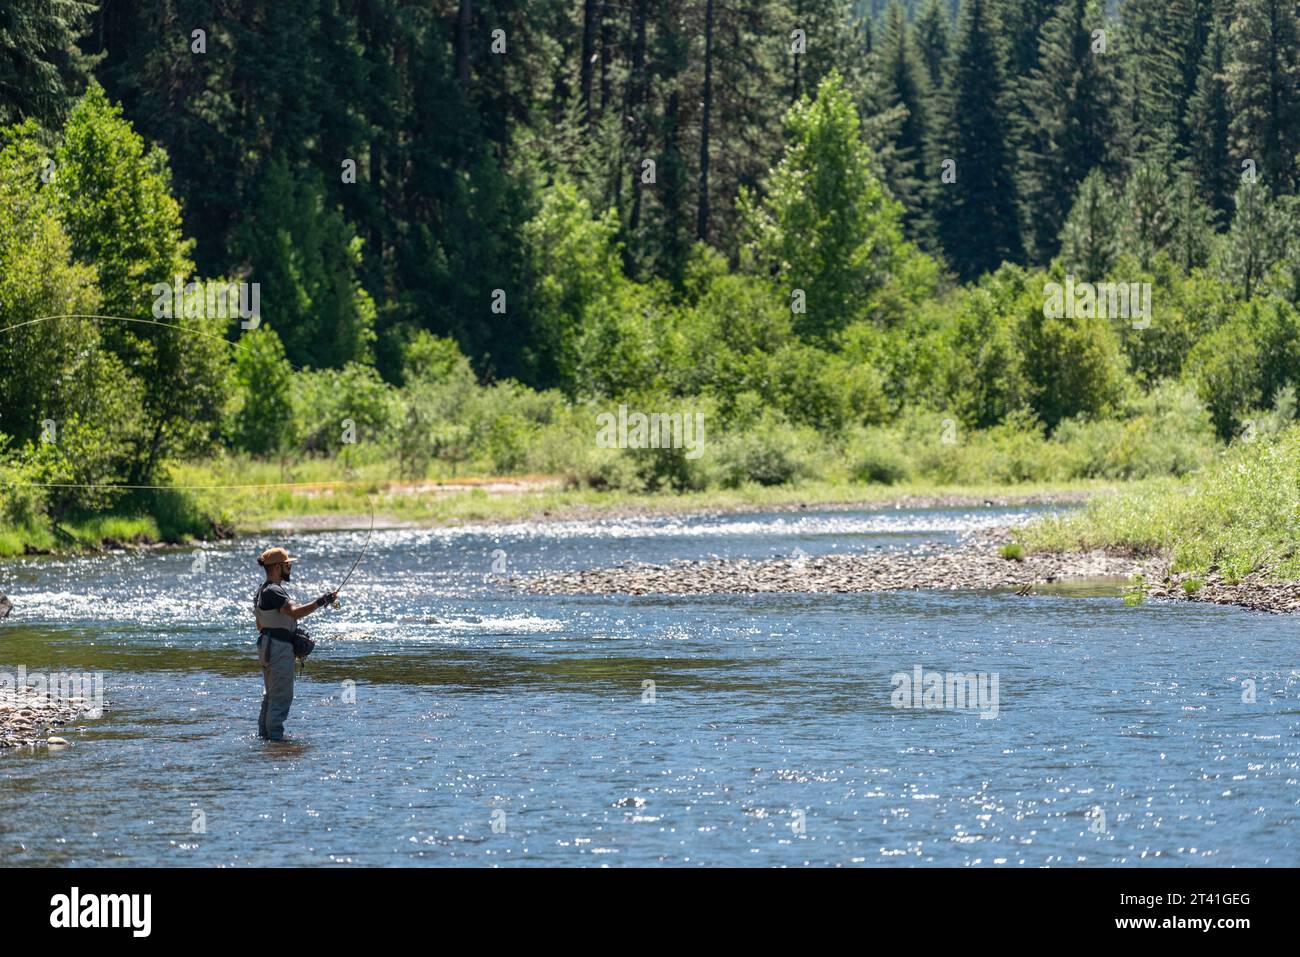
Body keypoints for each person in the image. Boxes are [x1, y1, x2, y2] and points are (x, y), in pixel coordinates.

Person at [254, 547, 337, 741]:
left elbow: (260, 624)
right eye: (287, 565)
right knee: (281, 697)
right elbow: (294, 612)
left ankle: (265, 741)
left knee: (271, 697)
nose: (290, 568)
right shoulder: (274, 590)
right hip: (278, 649)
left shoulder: (261, 590)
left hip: (266, 647)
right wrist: (321, 601)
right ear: (276, 567)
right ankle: (275, 742)